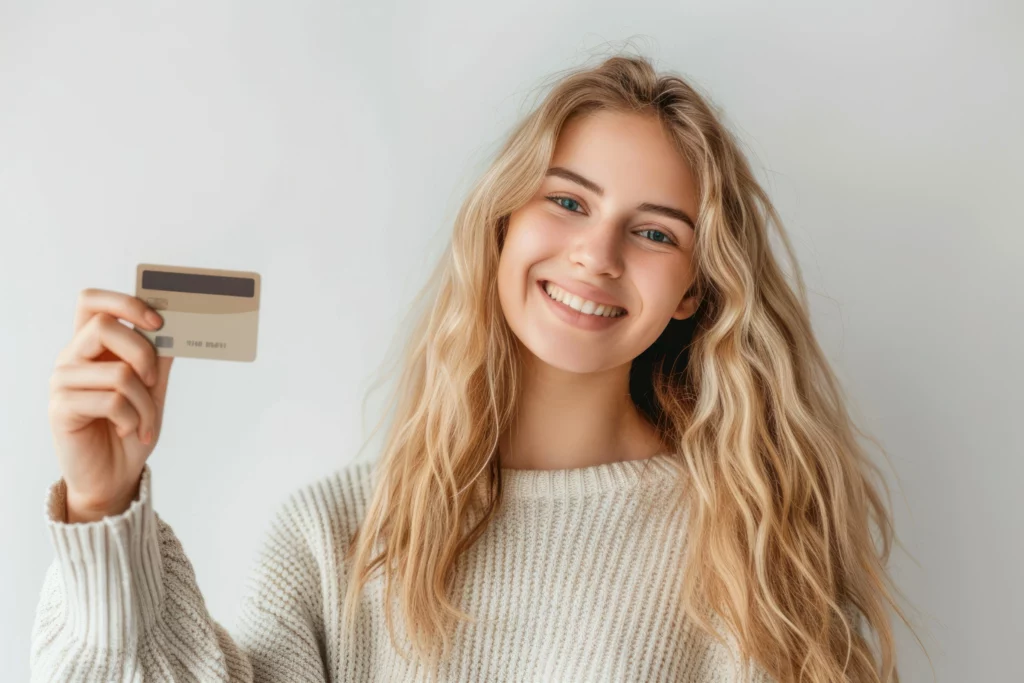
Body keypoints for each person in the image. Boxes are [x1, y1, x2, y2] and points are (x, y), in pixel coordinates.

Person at [31, 52, 917, 682]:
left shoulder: (752, 552)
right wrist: (103, 503)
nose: (596, 254)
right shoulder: (338, 538)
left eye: (654, 232)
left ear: (694, 289)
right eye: (567, 201)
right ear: (503, 225)